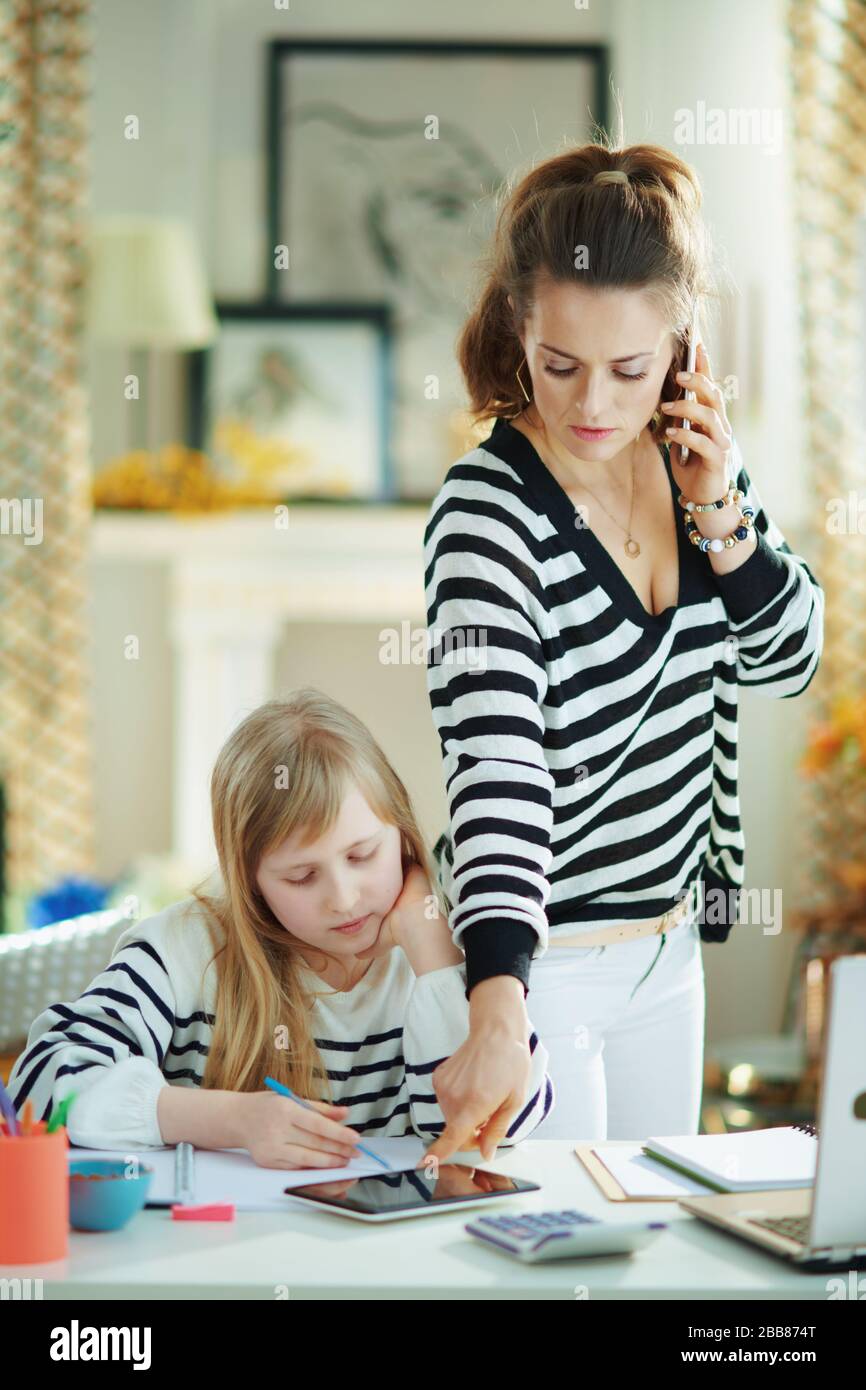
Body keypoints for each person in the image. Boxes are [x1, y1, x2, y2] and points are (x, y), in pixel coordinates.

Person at [422, 141, 825, 1150]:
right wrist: (498, 997)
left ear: (681, 347)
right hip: (538, 963)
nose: (591, 405)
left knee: (653, 1260)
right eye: (559, 365)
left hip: (665, 955)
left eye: (627, 370)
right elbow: (497, 764)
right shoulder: (486, 511)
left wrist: (719, 509)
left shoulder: (695, 467)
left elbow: (790, 660)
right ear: (519, 327)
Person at [6, 689, 552, 1165]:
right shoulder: (183, 949)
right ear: (251, 881)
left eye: (363, 855)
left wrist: (434, 956)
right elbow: (42, 1085)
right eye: (301, 875)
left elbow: (495, 1130)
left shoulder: (458, 943)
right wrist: (232, 1120)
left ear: (402, 831)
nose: (343, 898)